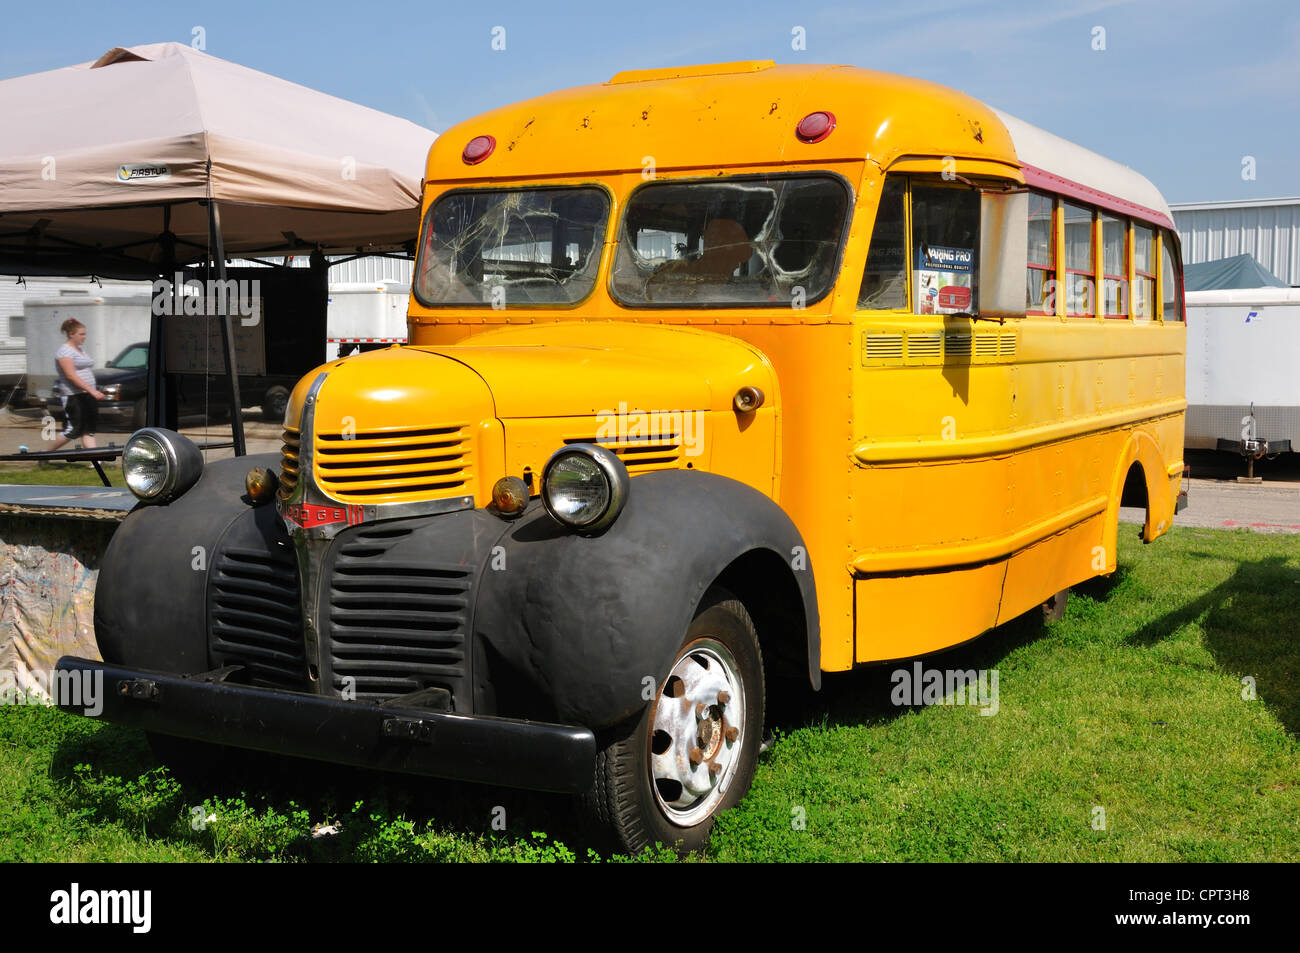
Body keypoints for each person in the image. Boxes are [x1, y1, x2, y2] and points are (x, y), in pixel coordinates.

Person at [46, 318, 104, 451]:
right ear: (71, 334)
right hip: (73, 395)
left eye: (85, 334)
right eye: (81, 334)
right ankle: (44, 454)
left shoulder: (79, 350)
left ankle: (95, 461)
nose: (85, 337)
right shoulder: (64, 351)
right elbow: (70, 375)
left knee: (88, 429)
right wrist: (92, 391)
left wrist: (91, 392)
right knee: (74, 430)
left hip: (86, 394)